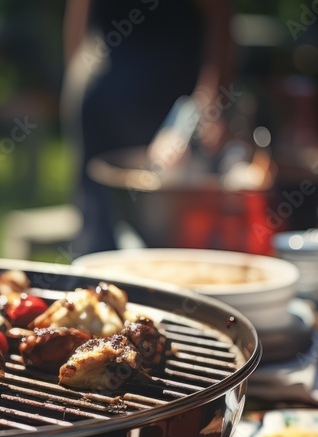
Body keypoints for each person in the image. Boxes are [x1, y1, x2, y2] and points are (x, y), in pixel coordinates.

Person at [62, 0, 234, 256]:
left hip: (172, 113)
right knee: (97, 231)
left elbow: (219, 18)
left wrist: (208, 102)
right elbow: (79, 13)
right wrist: (76, 80)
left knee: (165, 234)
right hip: (99, 106)